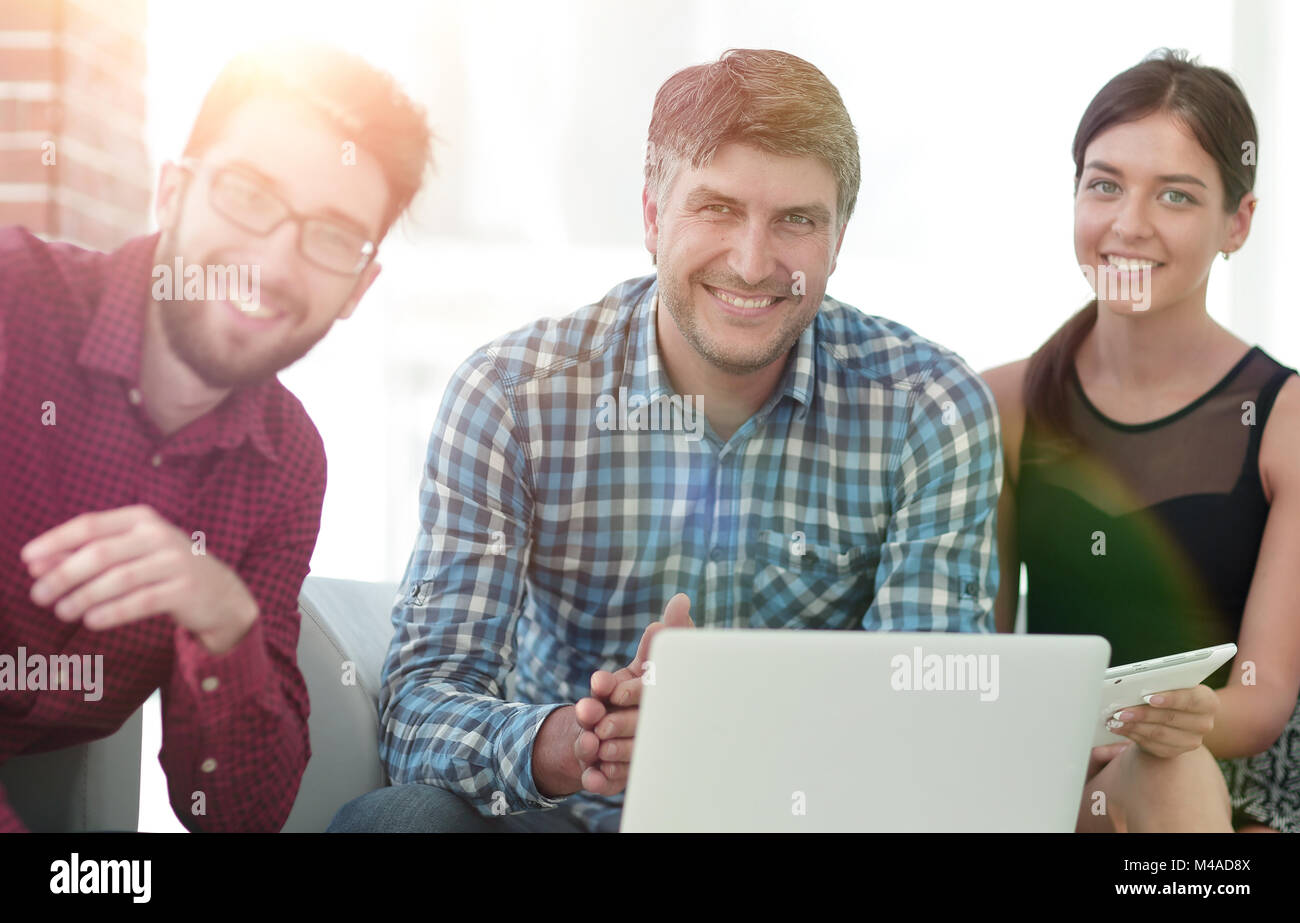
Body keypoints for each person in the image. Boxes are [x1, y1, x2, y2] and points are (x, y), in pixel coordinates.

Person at [329, 48, 1002, 834]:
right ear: (652, 216)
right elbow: (419, 704)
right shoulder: (511, 397)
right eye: (717, 208)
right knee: (402, 819)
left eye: (796, 220)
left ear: (838, 236)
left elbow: (929, 712)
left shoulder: (930, 406)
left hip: (802, 819)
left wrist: (726, 723)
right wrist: (572, 741)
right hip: (572, 818)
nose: (753, 264)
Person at [0, 43, 432, 832]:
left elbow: (240, 813)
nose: (271, 262)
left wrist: (225, 626)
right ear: (173, 192)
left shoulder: (286, 461)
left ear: (358, 289)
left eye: (332, 237)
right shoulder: (13, 307)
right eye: (247, 195)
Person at [983, 49, 1300, 833]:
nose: (1129, 224)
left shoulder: (1285, 419)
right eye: (1104, 184)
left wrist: (1167, 723)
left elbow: (1260, 701)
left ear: (1238, 222)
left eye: (1177, 195)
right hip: (1059, 780)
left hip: (1229, 783)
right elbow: (981, 660)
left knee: (1170, 765)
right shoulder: (1002, 404)